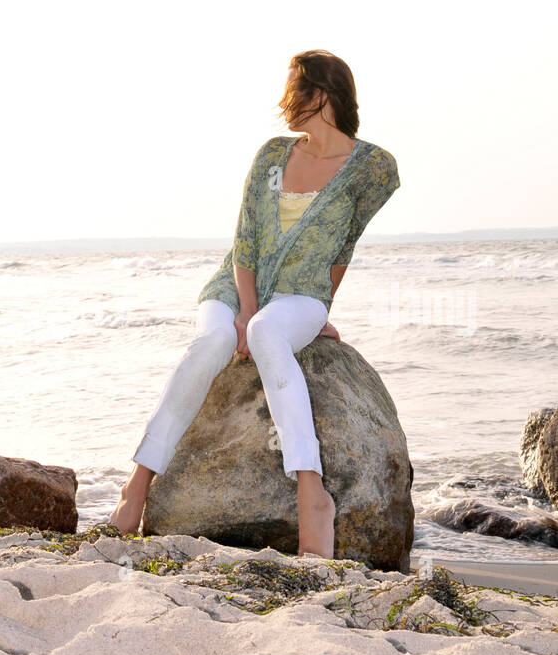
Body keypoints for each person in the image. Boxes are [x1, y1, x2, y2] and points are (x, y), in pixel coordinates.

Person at [107, 48, 401, 559]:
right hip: (235, 286)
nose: (284, 103)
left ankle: (313, 493)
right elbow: (244, 242)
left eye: (294, 90)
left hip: (301, 297)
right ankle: (138, 485)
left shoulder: (371, 167)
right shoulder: (271, 154)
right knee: (215, 339)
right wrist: (243, 310)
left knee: (268, 332)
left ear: (322, 95)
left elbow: (345, 246)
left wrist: (322, 312)